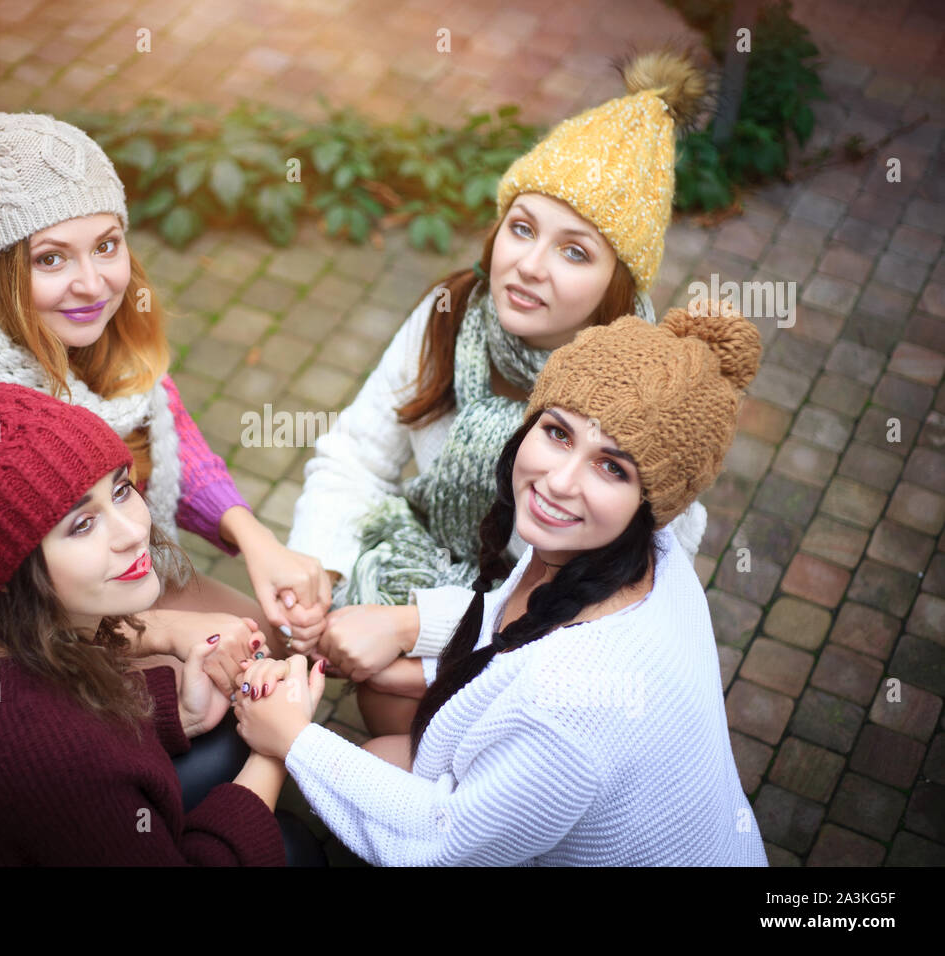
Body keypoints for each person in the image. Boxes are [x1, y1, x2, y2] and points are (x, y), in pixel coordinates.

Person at [232, 302, 770, 866]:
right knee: (384, 723)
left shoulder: (570, 709)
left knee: (369, 766)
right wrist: (408, 631)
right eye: (558, 433)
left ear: (651, 502)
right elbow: (519, 628)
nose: (560, 482)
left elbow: (443, 845)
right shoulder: (635, 555)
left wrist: (294, 741)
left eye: (612, 467)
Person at [0, 112, 328, 734]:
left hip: (104, 582)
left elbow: (170, 440)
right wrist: (167, 631)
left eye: (106, 245)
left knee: (276, 648)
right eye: (51, 259)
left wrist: (256, 541)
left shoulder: (102, 336)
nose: (94, 284)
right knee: (237, 698)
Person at [284, 50, 712, 714]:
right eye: (522, 228)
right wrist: (320, 571)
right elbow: (357, 455)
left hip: (547, 646)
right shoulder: (454, 314)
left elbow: (602, 605)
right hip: (432, 567)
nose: (529, 265)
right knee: (335, 670)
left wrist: (421, 645)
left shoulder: (644, 397)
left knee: (394, 706)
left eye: (574, 251)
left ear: (619, 284)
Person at [0, 330, 297, 865]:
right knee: (294, 848)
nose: (133, 531)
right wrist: (276, 752)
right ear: (9, 566)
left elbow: (69, 704)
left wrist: (179, 712)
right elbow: (69, 753)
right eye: (81, 525)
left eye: (121, 490)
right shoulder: (52, 760)